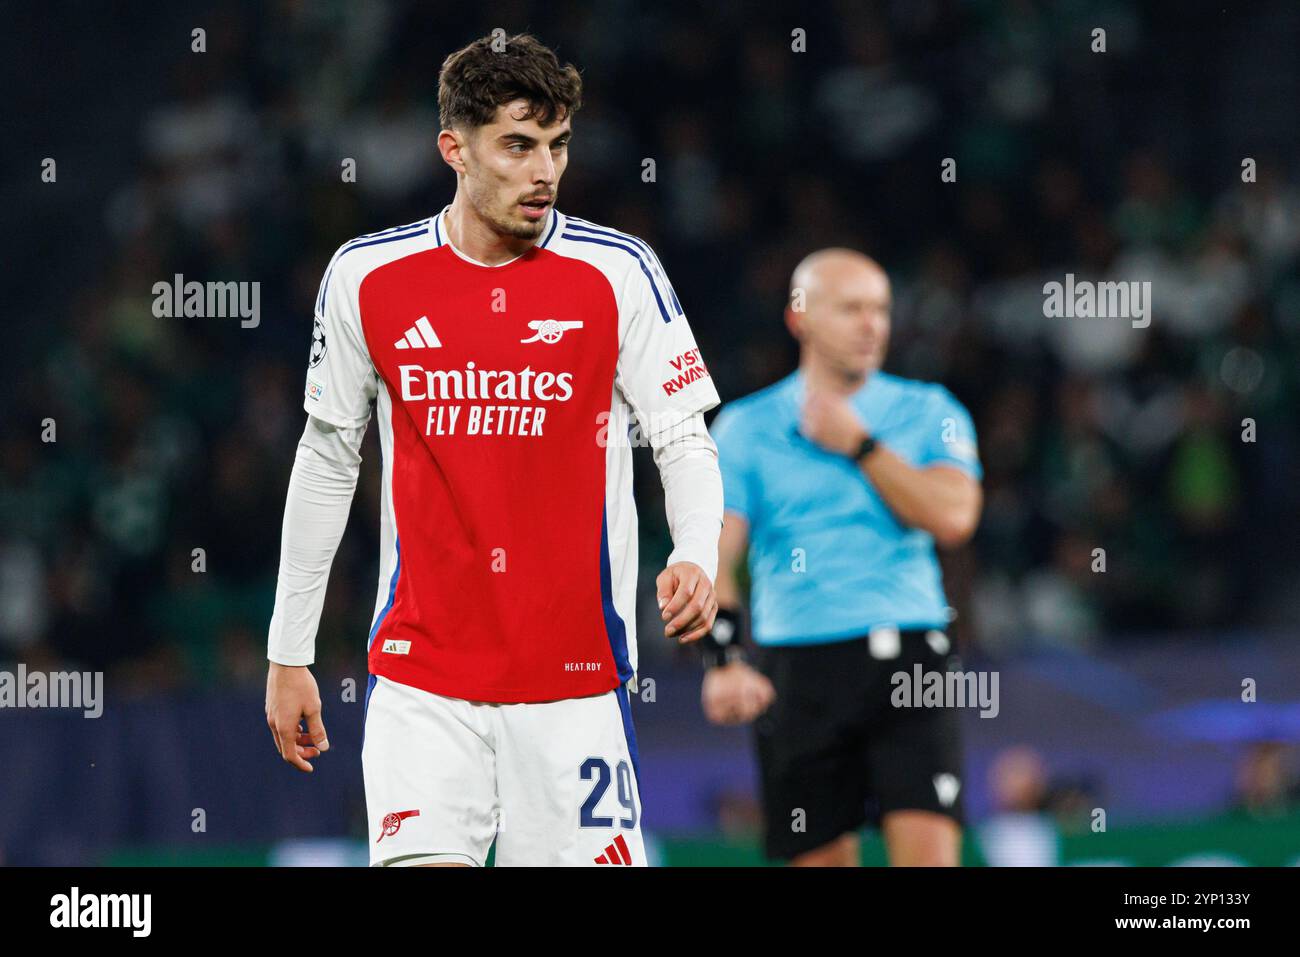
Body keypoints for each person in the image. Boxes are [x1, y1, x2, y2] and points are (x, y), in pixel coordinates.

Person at [264, 33, 723, 867]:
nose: (544, 170)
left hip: (576, 682)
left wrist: (696, 550)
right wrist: (289, 649)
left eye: (558, 145)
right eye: (518, 144)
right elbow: (327, 460)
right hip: (421, 679)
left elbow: (683, 437)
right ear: (455, 150)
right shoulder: (368, 276)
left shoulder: (618, 273)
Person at [702, 248, 982, 866]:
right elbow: (714, 557)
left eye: (880, 309)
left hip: (911, 656)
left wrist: (860, 445)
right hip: (798, 668)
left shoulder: (928, 409)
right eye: (851, 308)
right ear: (799, 318)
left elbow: (954, 516)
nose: (871, 325)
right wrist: (722, 659)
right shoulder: (747, 427)